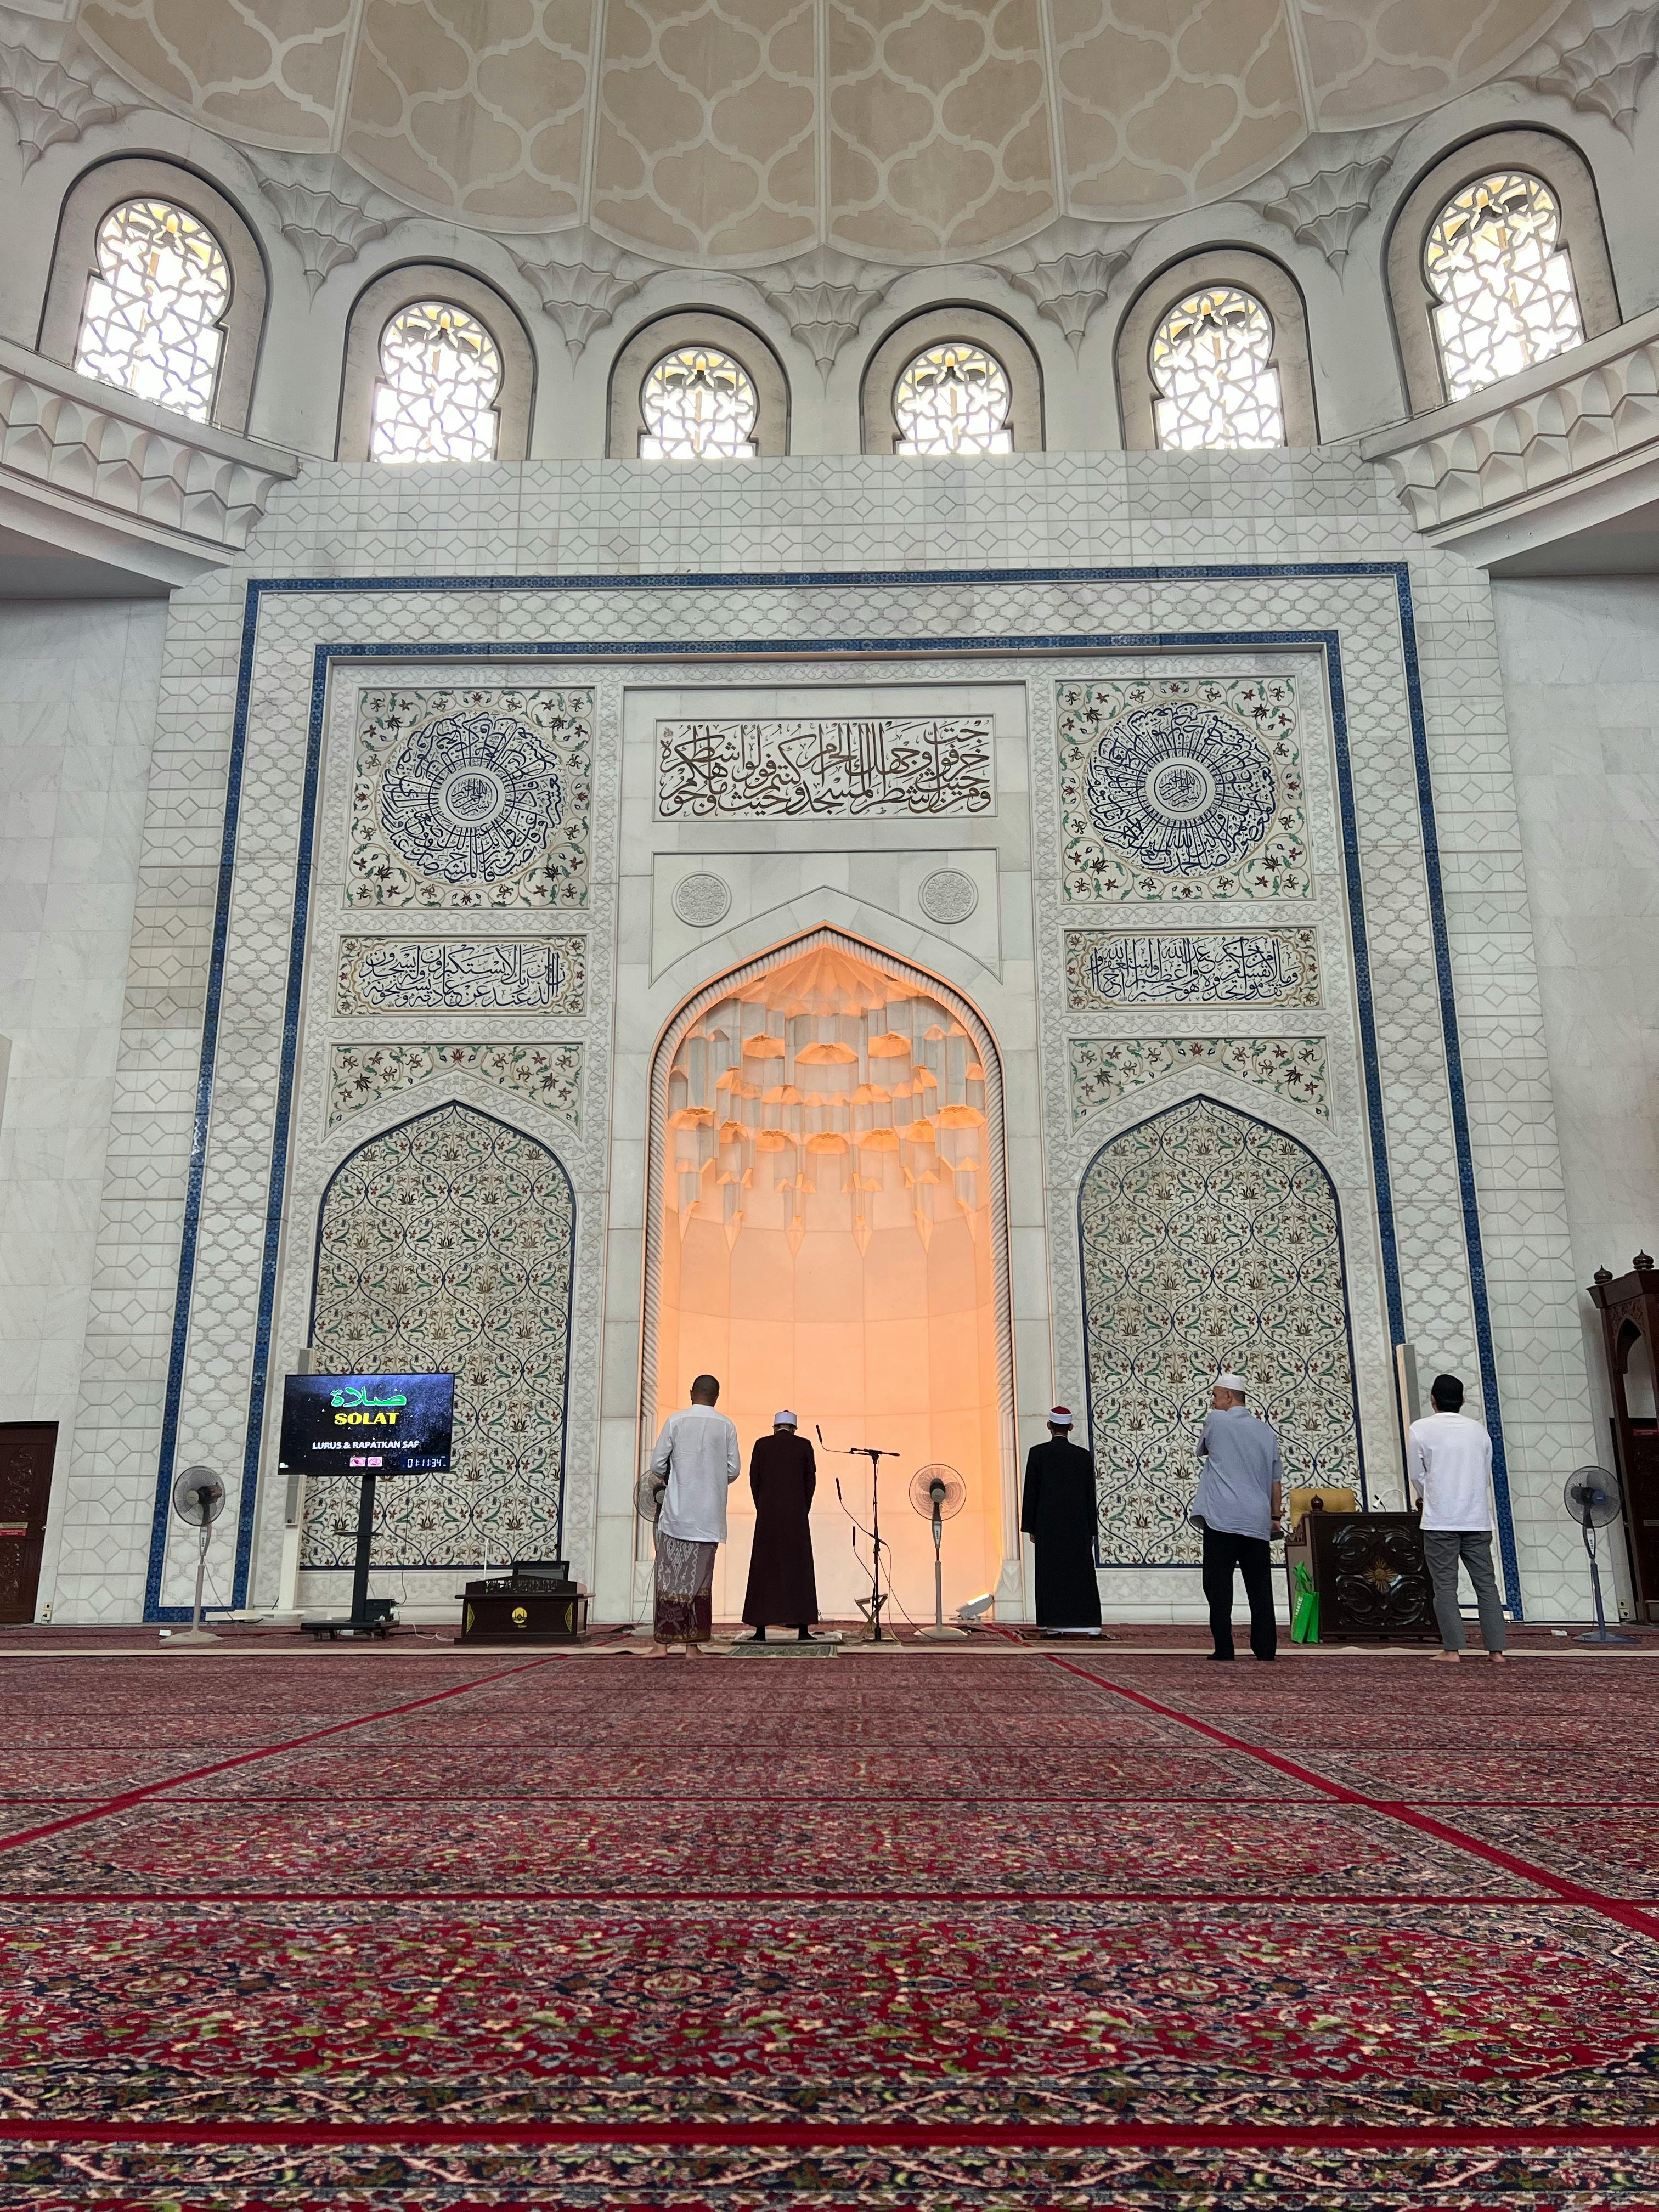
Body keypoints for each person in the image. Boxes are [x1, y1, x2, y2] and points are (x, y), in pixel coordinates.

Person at [1408, 1372, 1508, 1664]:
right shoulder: (1478, 1431)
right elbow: (1485, 1473)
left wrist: (1429, 1497)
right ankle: (1497, 1651)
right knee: (1486, 1585)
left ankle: (1452, 1650)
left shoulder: (1420, 1429)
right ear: (1463, 1400)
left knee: (1445, 1587)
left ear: (1433, 1400)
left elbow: (1417, 1474)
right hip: (1477, 1519)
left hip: (1440, 1521)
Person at [646, 1373, 741, 1656]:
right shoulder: (726, 1426)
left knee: (669, 1579)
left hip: (676, 1515)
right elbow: (733, 1470)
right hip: (708, 1519)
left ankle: (661, 1646)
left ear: (691, 1393)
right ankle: (692, 1648)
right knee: (700, 1583)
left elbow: (657, 1465)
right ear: (717, 1397)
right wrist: (711, 1476)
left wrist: (674, 1477)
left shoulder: (675, 1422)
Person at [1194, 1372, 1283, 1662]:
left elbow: (1204, 1450)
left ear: (1228, 1397)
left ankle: (1225, 1647)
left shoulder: (1216, 1420)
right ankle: (1266, 1648)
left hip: (1223, 1517)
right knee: (1259, 1585)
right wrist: (1275, 1517)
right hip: (1257, 1520)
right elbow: (1275, 1481)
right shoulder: (1267, 1432)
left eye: (1216, 1397)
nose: (1214, 1402)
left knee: (1218, 1584)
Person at [739, 1410, 823, 1644]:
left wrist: (764, 1507)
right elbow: (810, 1482)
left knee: (764, 1571)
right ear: (794, 1429)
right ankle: (803, 1630)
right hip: (796, 1516)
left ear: (775, 1427)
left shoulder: (761, 1445)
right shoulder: (804, 1446)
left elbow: (754, 1480)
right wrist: (801, 1509)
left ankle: (760, 1631)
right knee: (799, 1570)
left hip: (768, 1516)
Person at [1020, 1406, 1103, 1635]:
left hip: (1047, 1526)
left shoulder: (1038, 1454)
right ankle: (1089, 1623)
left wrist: (1030, 1527)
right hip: (1078, 1526)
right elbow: (1090, 1495)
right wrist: (1091, 1530)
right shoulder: (1082, 1456)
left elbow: (1031, 1493)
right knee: (1080, 1572)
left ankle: (1053, 1624)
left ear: (1049, 1426)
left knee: (1051, 1572)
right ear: (1070, 1427)